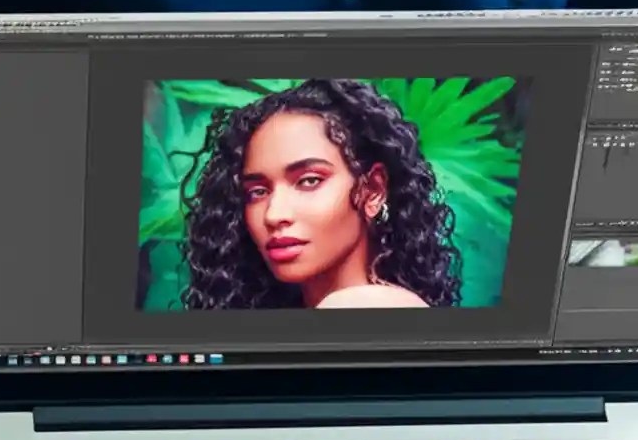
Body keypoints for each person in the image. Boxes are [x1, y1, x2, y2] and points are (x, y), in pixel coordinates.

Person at [177, 78, 462, 309]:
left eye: (309, 181)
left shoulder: (358, 307)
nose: (275, 214)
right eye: (258, 191)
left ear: (373, 190)